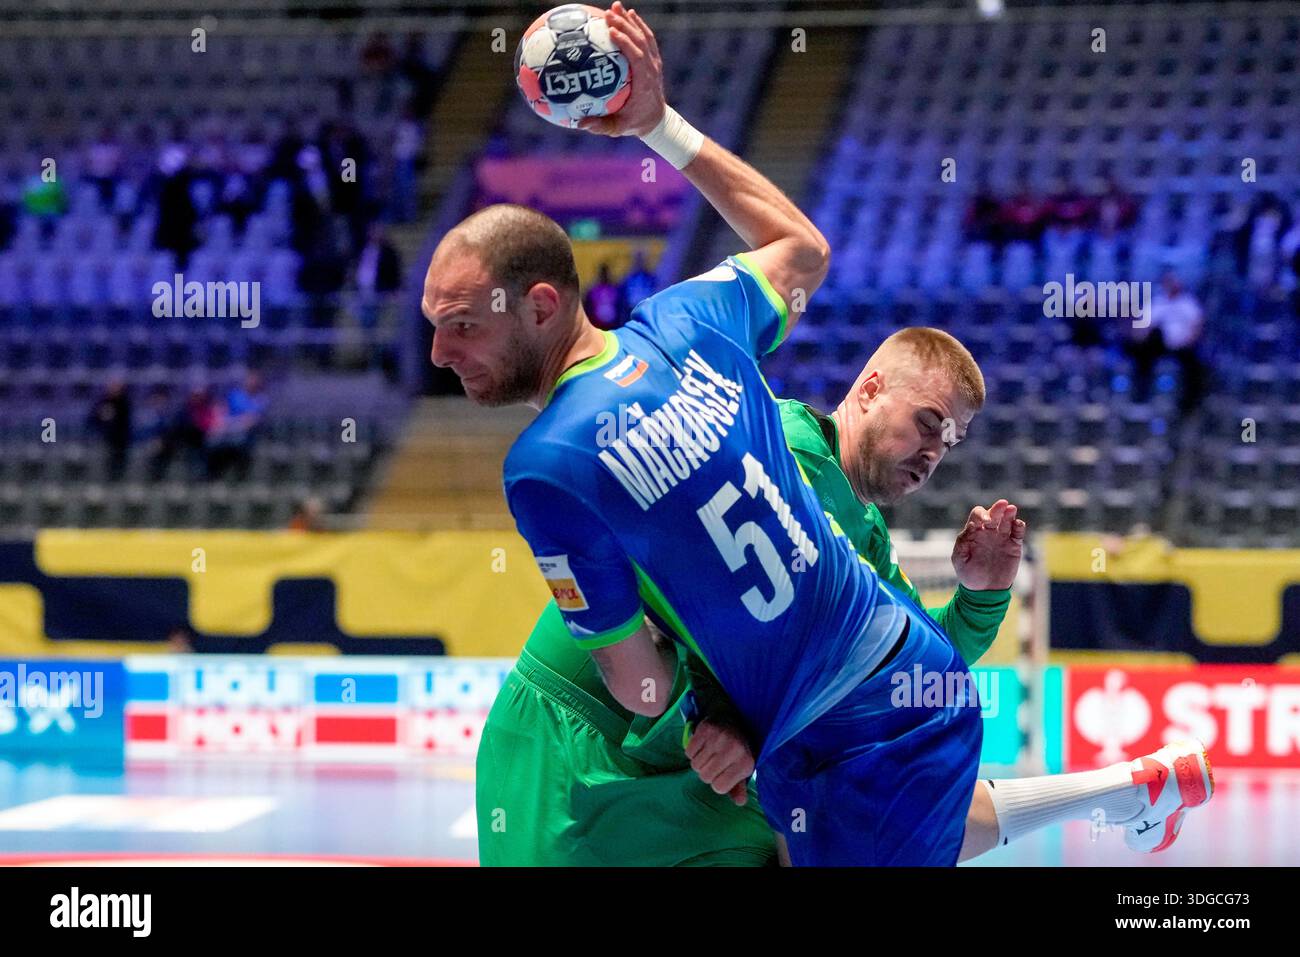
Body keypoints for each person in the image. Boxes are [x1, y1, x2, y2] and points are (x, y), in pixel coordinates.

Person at [428, 3, 1212, 865]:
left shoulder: (554, 463)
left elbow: (657, 669)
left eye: (460, 324)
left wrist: (710, 710)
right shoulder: (700, 336)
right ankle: (1140, 784)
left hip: (746, 728)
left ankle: (1139, 785)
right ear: (867, 388)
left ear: (539, 307)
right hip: (639, 732)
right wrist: (660, 125)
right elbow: (800, 247)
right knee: (895, 821)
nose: (932, 451)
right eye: (926, 423)